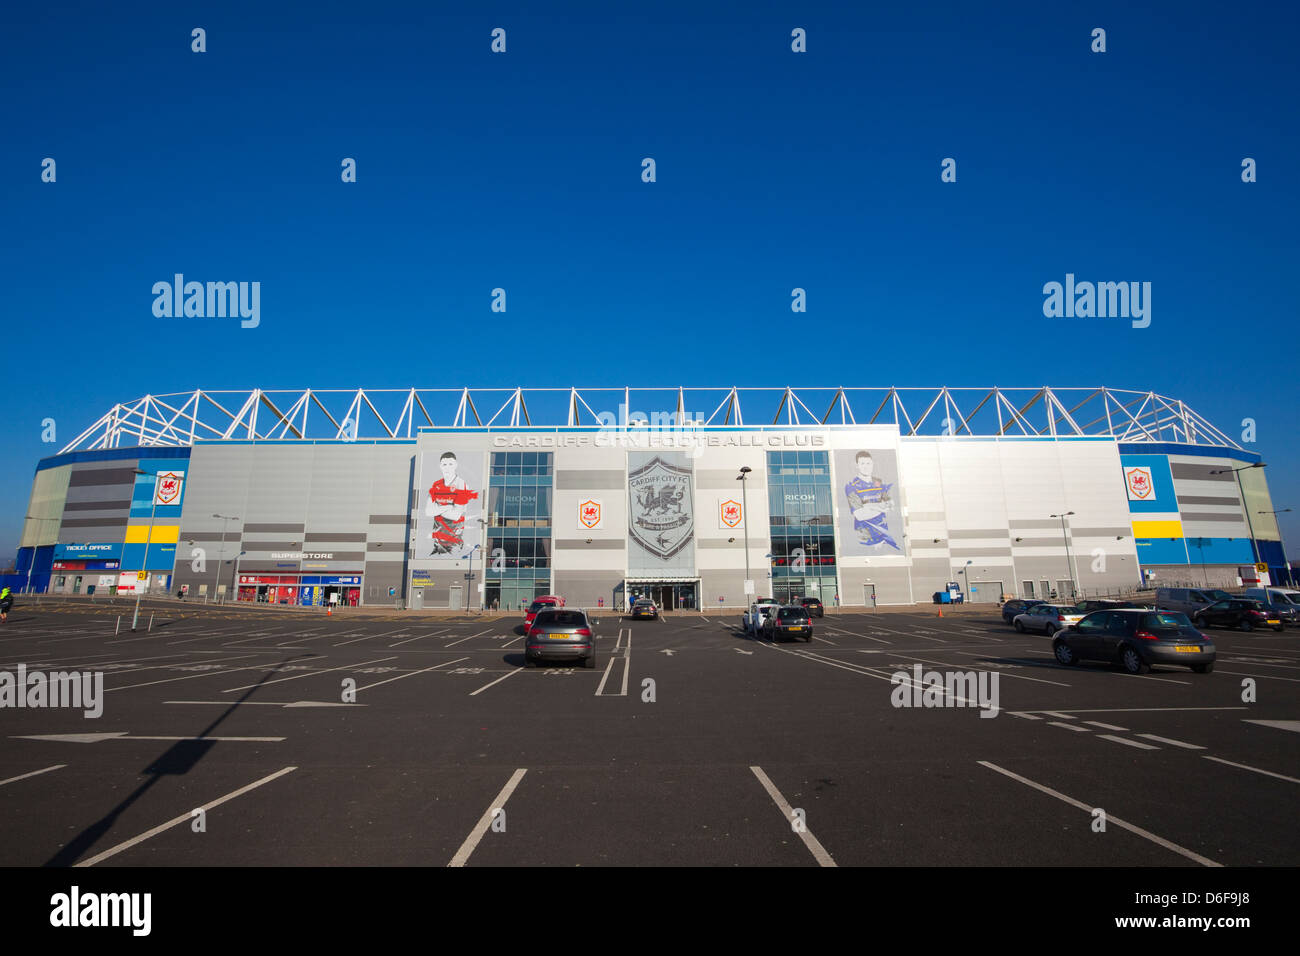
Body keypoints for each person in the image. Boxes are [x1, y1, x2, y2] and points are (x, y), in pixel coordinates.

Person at [844, 451, 899, 550]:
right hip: (865, 538)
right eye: (862, 463)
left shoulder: (879, 482)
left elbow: (890, 504)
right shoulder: (851, 486)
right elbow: (860, 515)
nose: (866, 467)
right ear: (857, 465)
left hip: (884, 535)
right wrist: (881, 508)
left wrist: (868, 507)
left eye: (868, 463)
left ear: (872, 464)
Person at [426, 452, 479, 554]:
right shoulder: (436, 485)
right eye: (444, 464)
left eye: (450, 464)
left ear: (456, 465)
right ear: (440, 466)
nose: (447, 468)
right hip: (437, 540)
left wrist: (437, 508)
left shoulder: (461, 485)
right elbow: (428, 511)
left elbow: (455, 515)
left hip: (453, 542)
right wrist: (448, 507)